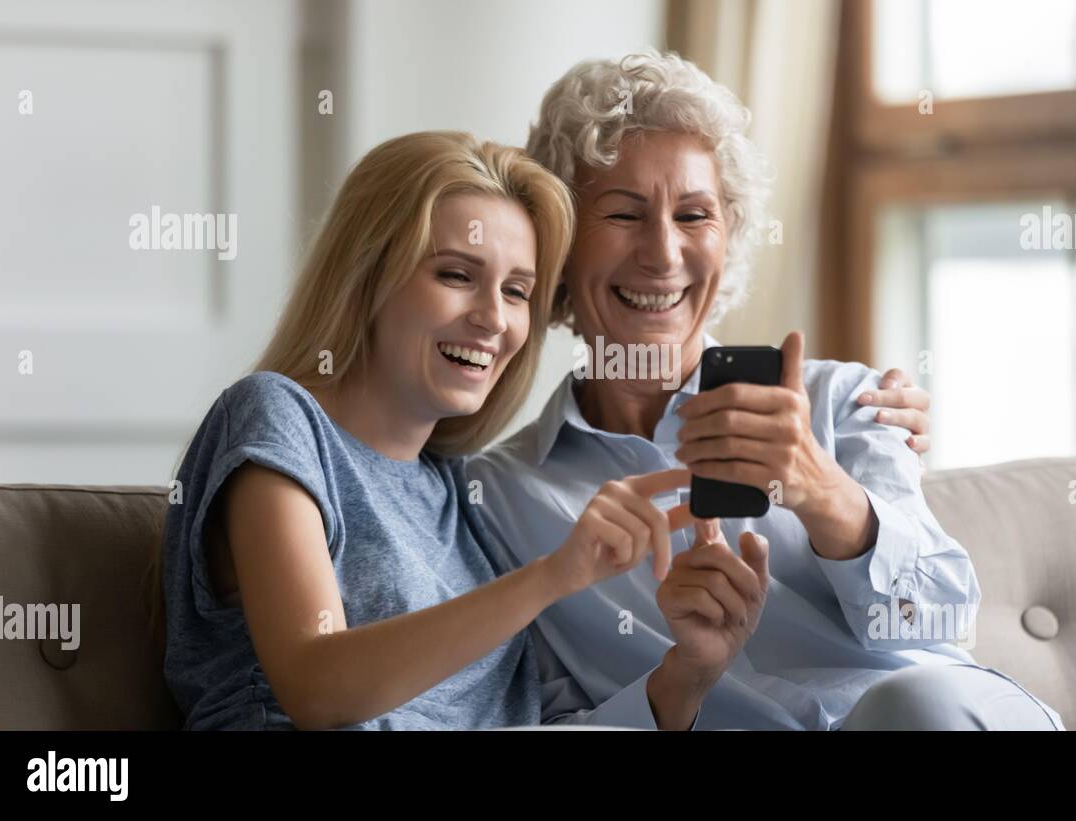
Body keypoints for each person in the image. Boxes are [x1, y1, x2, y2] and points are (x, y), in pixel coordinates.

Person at [464, 51, 1065, 730]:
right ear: (561, 242)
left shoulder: (842, 401)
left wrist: (824, 493)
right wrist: (677, 682)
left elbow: (942, 614)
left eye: (694, 215)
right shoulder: (500, 498)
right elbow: (544, 715)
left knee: (913, 706)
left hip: (936, 718)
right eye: (625, 215)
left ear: (731, 238)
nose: (663, 254)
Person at [161, 131, 757, 730]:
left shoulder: (460, 495)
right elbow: (316, 689)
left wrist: (683, 679)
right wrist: (551, 577)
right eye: (455, 275)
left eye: (517, 291)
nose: (493, 319)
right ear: (368, 276)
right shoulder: (278, 417)